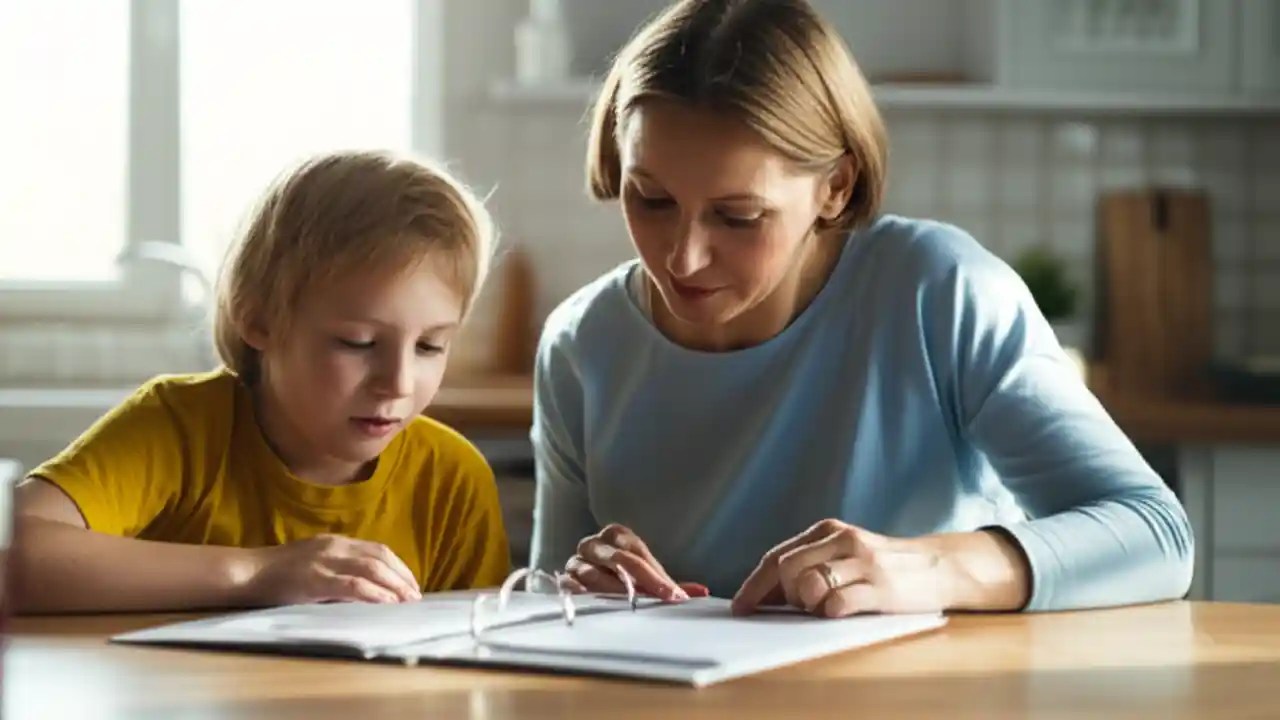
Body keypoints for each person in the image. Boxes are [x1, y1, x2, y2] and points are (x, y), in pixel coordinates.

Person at [530, 0, 1193, 617]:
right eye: (651, 200)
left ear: (834, 187)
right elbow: (540, 601)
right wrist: (582, 581)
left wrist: (928, 568)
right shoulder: (582, 344)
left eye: (738, 216)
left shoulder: (939, 293)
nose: (683, 258)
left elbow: (1157, 534)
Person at [14, 150, 510, 613]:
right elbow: (13, 548)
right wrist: (255, 572)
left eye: (430, 347)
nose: (398, 383)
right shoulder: (179, 428)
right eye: (358, 343)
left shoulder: (452, 479)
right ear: (259, 320)